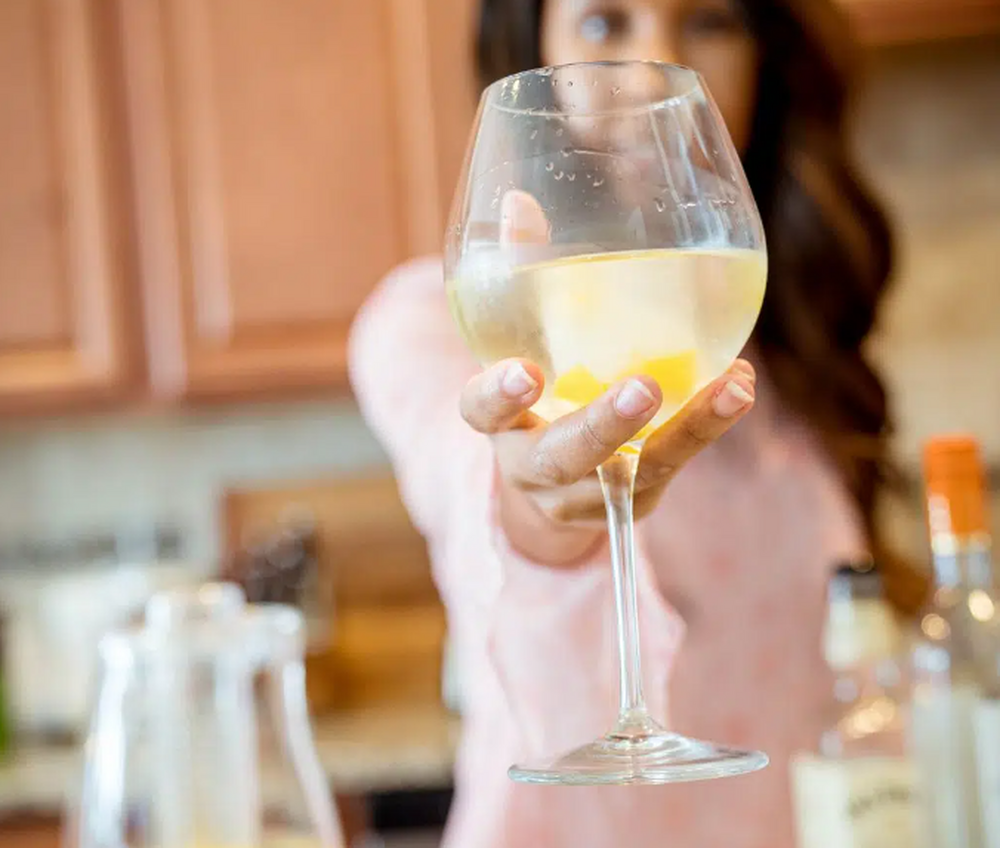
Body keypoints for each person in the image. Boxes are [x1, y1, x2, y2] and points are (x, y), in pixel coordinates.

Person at [350, 1, 924, 846]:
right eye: (602, 23)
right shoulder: (428, 324)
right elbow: (474, 473)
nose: (649, 61)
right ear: (530, 53)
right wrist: (538, 503)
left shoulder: (774, 332)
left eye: (711, 20)